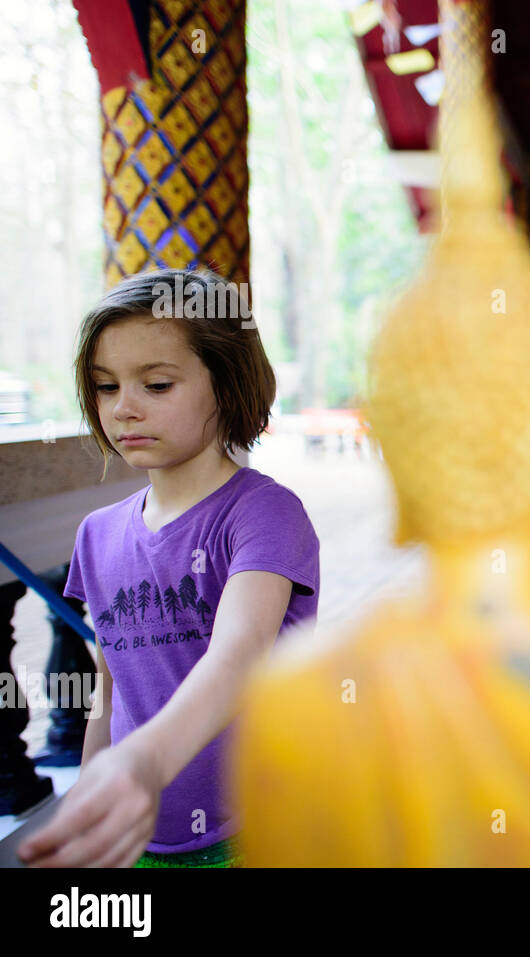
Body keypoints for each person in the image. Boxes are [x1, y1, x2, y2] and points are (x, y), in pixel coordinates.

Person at [17, 268, 319, 868]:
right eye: (105, 388)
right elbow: (110, 687)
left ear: (227, 385)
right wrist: (90, 798)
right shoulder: (97, 534)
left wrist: (146, 761)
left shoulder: (264, 514)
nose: (124, 408)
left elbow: (238, 654)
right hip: (142, 837)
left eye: (156, 385)